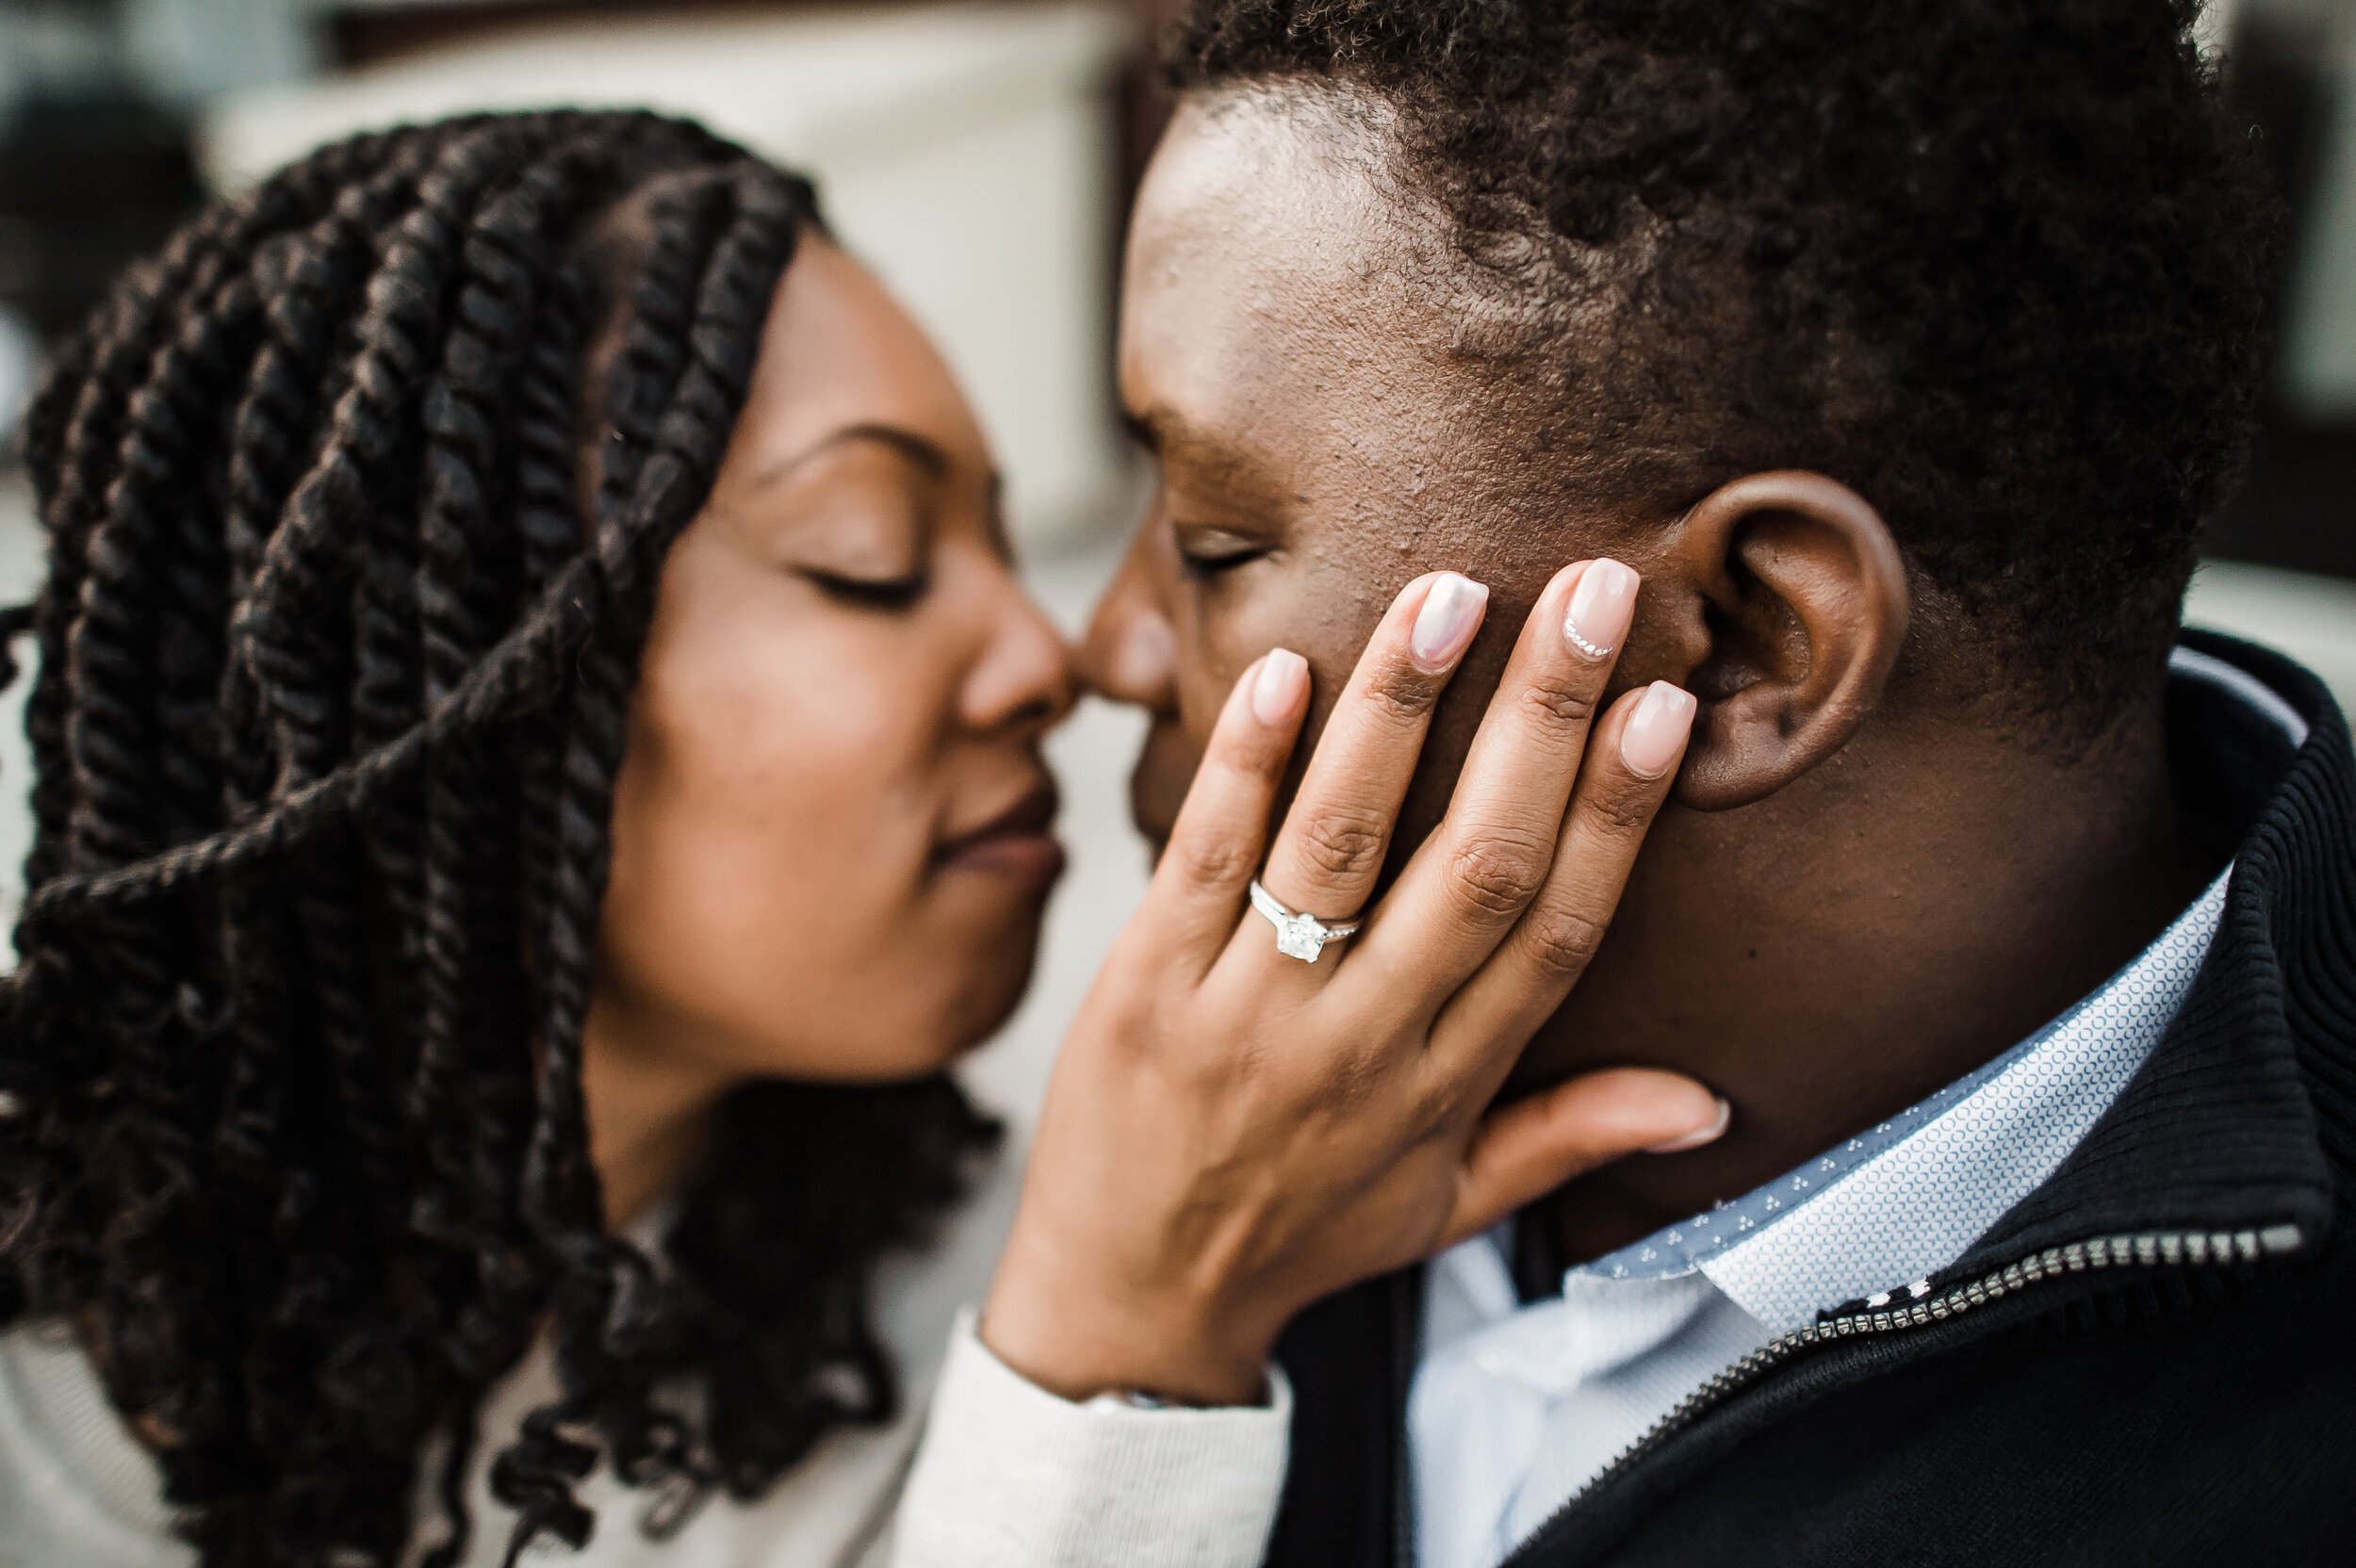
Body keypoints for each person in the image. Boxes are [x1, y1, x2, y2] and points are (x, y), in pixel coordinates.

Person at [0, 109, 1725, 1568]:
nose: (1047, 661)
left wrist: (1115, 1354)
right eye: (869, 558)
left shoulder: (1073, 1269)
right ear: (442, 675)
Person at [893, 2, 2356, 1564]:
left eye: (1212, 545)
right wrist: (1128, 1335)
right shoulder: (1207, 1130)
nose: (1105, 646)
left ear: (1737, 646)